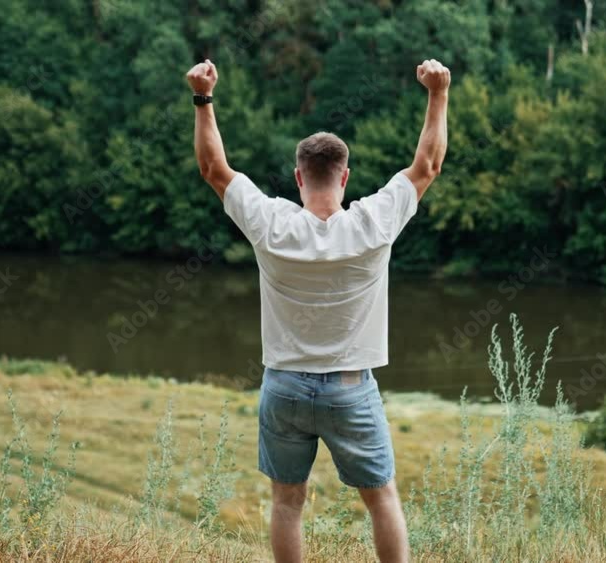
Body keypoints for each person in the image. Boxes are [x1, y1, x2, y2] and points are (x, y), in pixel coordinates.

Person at [186, 57, 449, 563]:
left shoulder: (272, 225)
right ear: (345, 176)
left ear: (298, 177)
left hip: (283, 385)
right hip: (351, 389)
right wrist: (438, 93)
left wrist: (203, 98)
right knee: (381, 499)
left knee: (287, 502)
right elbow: (428, 166)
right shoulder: (373, 224)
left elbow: (213, 170)